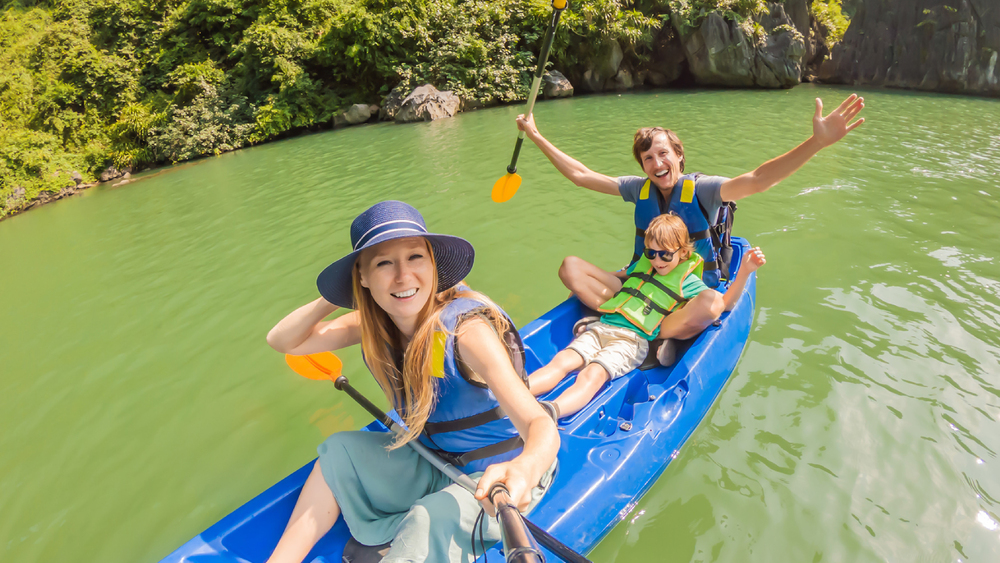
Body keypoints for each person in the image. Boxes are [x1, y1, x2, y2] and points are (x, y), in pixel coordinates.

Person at [264, 201, 559, 563]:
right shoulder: (375, 323)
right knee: (337, 451)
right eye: (383, 263)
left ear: (433, 265)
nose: (403, 277)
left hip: (498, 480)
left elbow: (538, 424)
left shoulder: (468, 332)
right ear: (363, 276)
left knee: (425, 520)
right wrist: (337, 293)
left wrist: (525, 469)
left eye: (416, 258)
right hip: (435, 461)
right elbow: (283, 341)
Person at [515, 93, 864, 338]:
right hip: (643, 284)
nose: (657, 164)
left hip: (686, 294)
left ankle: (652, 330)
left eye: (663, 154)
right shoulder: (640, 189)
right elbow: (580, 176)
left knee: (711, 305)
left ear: (679, 156)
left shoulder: (704, 190)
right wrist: (535, 134)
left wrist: (816, 143)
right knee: (570, 267)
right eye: (648, 159)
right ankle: (628, 315)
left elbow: (758, 180)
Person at [529, 214, 766, 420]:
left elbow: (724, 304)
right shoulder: (645, 265)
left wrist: (745, 271)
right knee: (561, 361)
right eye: (651, 253)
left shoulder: (688, 282)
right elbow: (621, 276)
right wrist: (583, 289)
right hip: (604, 326)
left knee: (593, 373)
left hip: (633, 340)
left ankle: (551, 410)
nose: (656, 260)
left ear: (683, 253)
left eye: (665, 255)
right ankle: (518, 392)